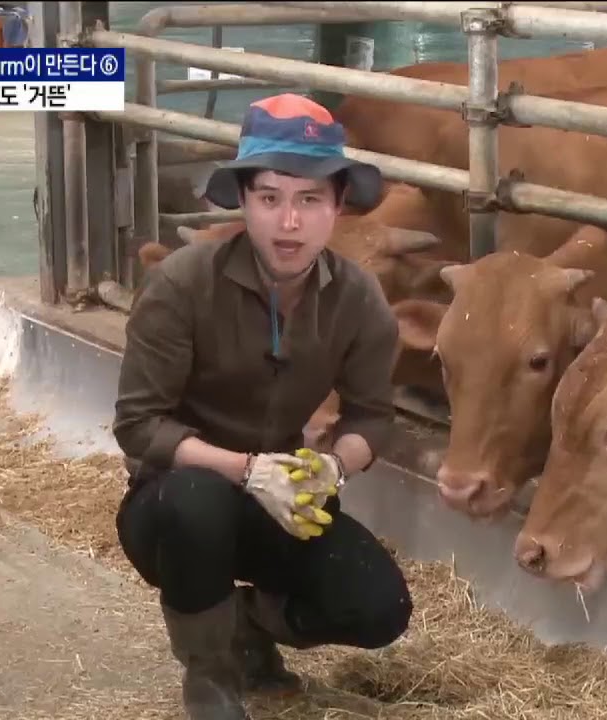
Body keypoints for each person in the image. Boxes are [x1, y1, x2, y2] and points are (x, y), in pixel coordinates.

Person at [112, 93, 413, 720]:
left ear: (337, 207)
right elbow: (139, 425)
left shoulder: (357, 298)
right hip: (172, 509)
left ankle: (245, 625)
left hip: (283, 500)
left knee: (380, 607)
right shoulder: (184, 283)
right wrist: (251, 471)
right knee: (197, 499)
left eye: (309, 200)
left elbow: (372, 417)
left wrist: (331, 469)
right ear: (244, 201)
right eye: (270, 198)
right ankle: (210, 672)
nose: (289, 223)